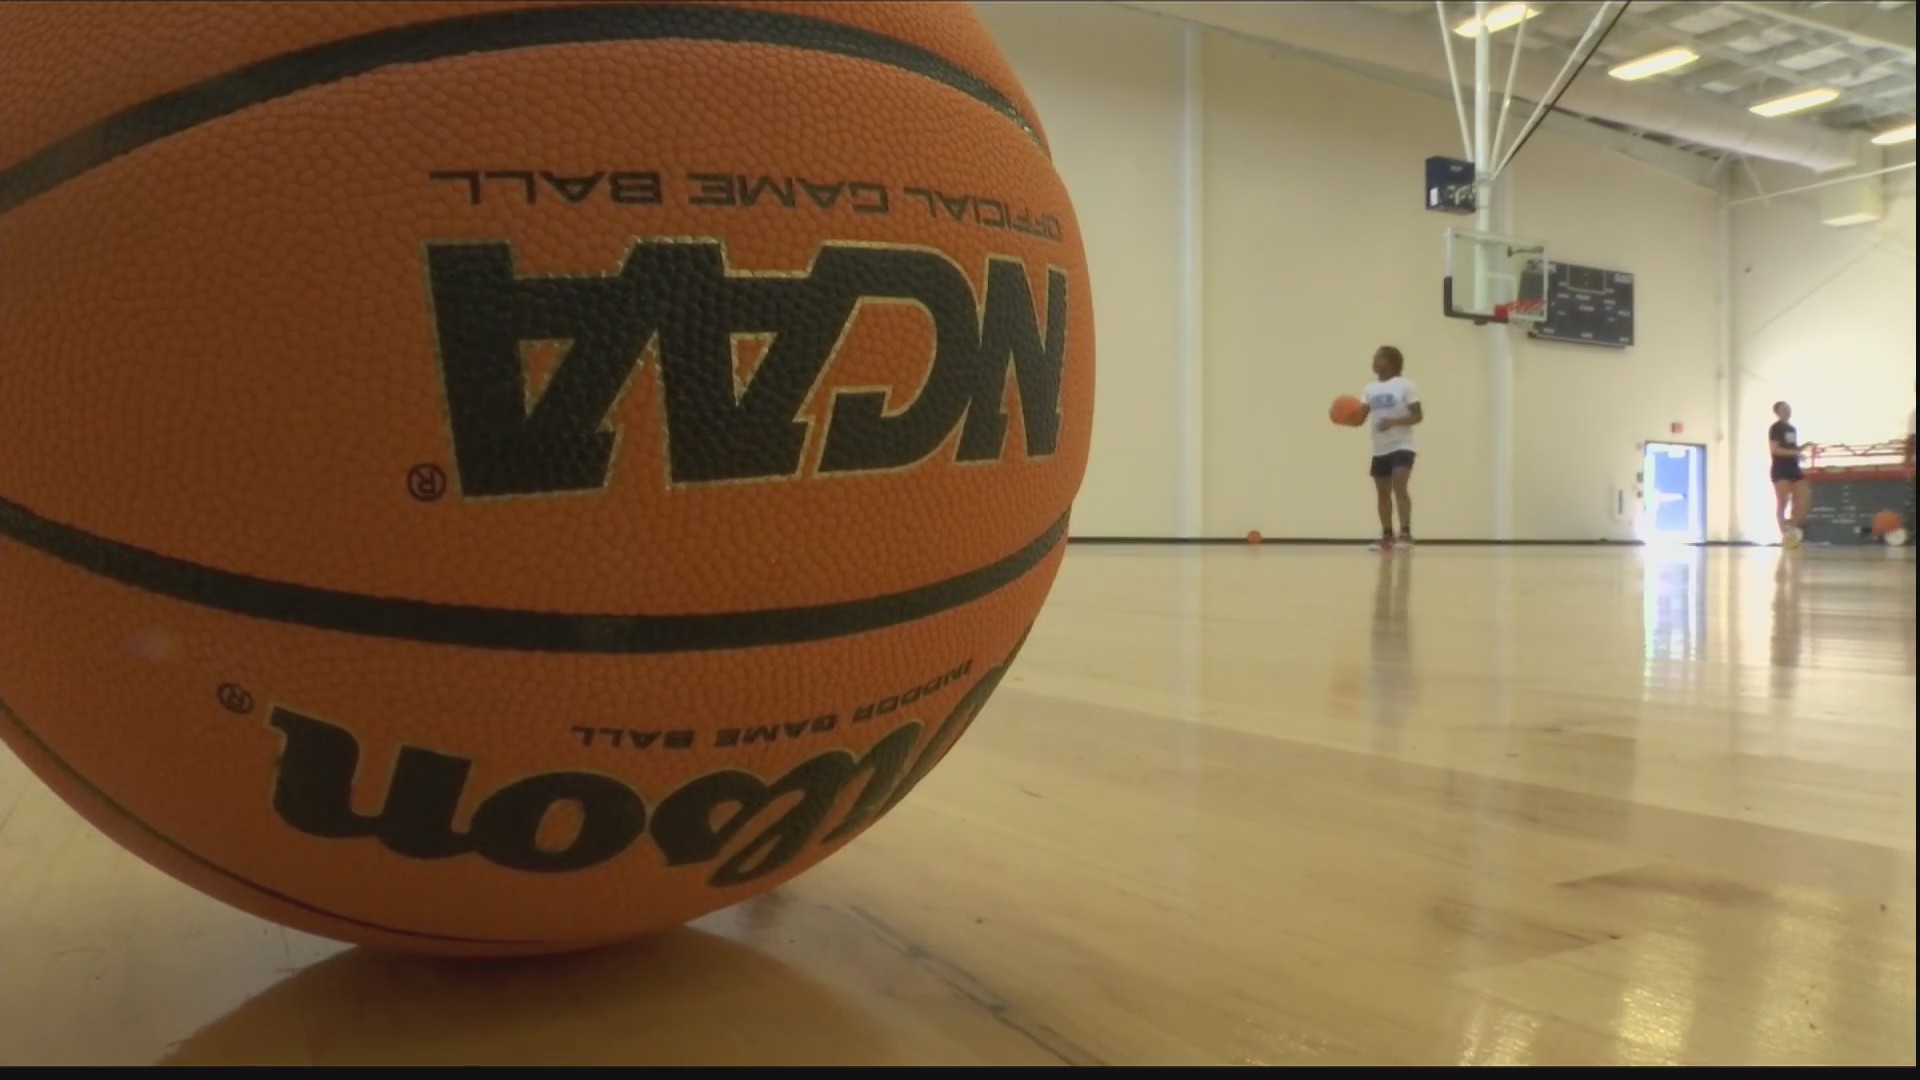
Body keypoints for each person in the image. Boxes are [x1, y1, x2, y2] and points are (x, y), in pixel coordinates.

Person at [1355, 345, 1422, 552]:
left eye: (1379, 358)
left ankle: (1406, 534)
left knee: (1399, 487)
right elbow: (1359, 418)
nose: (1374, 362)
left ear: (1391, 362)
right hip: (1380, 449)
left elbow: (1417, 415)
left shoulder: (1405, 385)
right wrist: (1343, 416)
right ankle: (1387, 536)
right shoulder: (1369, 389)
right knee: (1382, 492)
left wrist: (1394, 422)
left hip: (1402, 446)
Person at [1768, 400, 1811, 548]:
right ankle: (1784, 533)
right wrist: (1795, 453)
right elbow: (1775, 450)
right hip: (1780, 468)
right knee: (1783, 501)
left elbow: (1792, 448)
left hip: (1794, 467)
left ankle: (1792, 528)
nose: (1787, 411)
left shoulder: (1792, 429)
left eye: (1788, 408)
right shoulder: (1775, 428)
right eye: (1783, 409)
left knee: (1803, 498)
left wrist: (1802, 448)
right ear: (1778, 412)